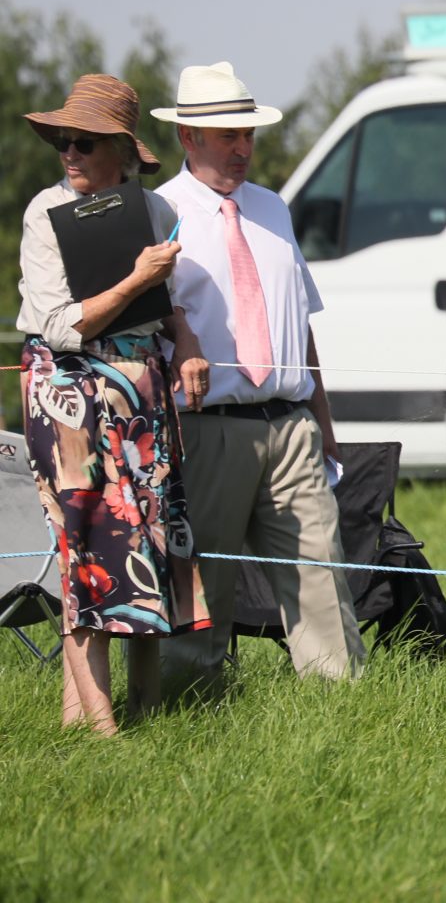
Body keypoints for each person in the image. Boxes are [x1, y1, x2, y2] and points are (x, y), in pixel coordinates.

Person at [150, 61, 365, 694]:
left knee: (322, 575)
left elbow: (301, 325)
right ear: (189, 137)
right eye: (227, 136)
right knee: (203, 584)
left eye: (248, 134)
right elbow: (149, 322)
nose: (243, 147)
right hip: (207, 427)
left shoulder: (274, 210)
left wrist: (322, 423)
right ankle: (188, 708)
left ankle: (343, 707)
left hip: (291, 423)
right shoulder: (160, 213)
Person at [17, 74, 213, 733]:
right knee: (84, 547)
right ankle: (104, 730)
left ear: (124, 156)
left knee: (148, 543)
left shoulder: (154, 212)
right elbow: (62, 327)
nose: (69, 153)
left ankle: (129, 712)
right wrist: (138, 280)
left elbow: (169, 306)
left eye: (85, 143)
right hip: (66, 397)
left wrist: (186, 342)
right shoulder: (44, 214)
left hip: (140, 394)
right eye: (64, 142)